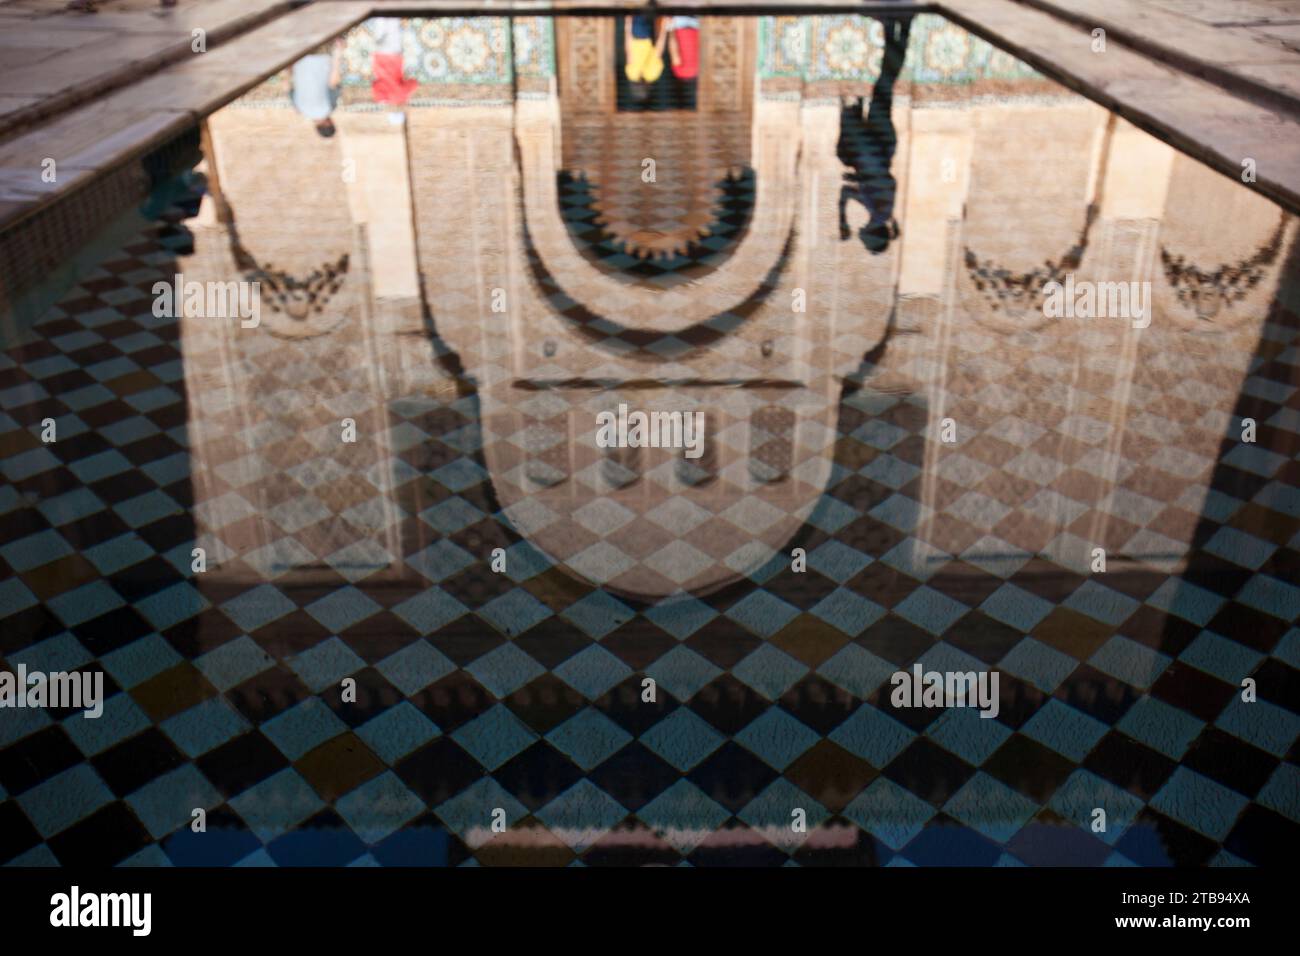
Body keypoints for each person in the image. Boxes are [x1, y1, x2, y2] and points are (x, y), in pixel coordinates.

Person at [291, 38, 344, 137]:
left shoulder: (329, 107)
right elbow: (288, 85)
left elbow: (333, 82)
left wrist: (338, 53)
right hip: (299, 57)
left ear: (329, 124)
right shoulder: (299, 109)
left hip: (321, 56)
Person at [624, 15, 667, 103]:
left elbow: (659, 50)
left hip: (650, 35)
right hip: (636, 34)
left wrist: (664, 29)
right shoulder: (631, 74)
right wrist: (627, 27)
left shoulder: (653, 75)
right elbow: (628, 50)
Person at [667, 16, 700, 81]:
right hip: (680, 25)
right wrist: (671, 28)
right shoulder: (679, 72)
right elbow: (674, 50)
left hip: (696, 27)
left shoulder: (697, 71)